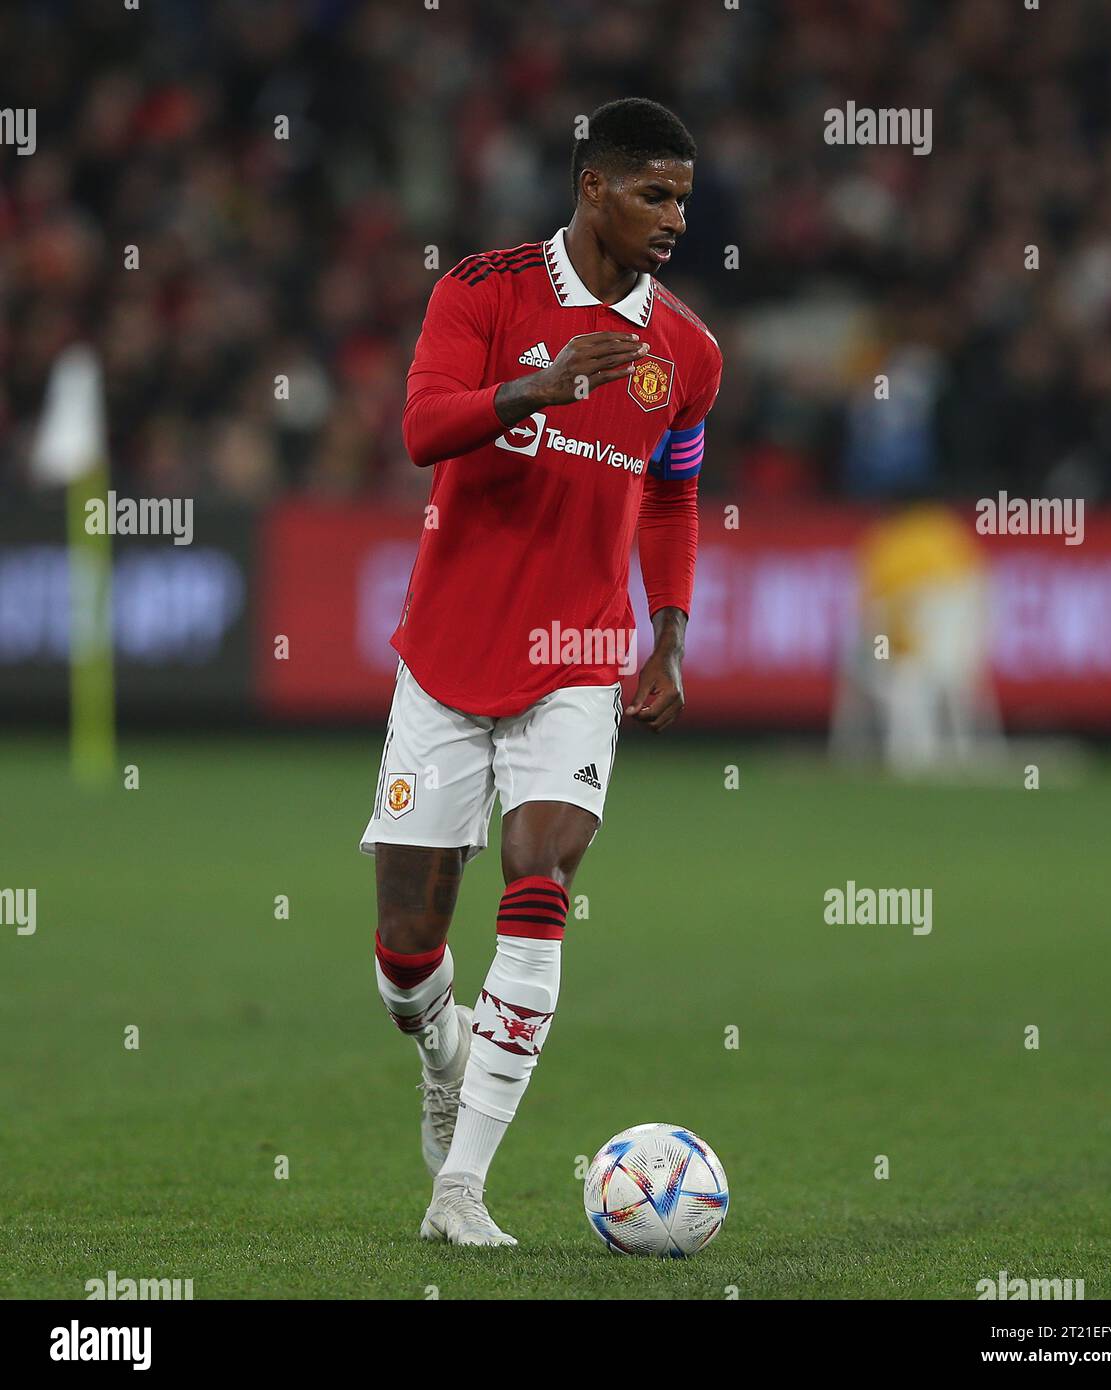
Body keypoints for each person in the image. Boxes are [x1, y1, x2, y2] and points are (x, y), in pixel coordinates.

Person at [360, 97, 722, 1246]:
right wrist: (539, 386)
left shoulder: (689, 354)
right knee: (406, 956)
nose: (674, 217)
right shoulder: (482, 289)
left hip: (575, 655)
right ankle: (440, 1051)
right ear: (591, 187)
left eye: (682, 195)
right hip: (447, 651)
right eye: (653, 193)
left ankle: (459, 1187)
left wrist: (665, 631)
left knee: (538, 877)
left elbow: (670, 491)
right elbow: (421, 430)